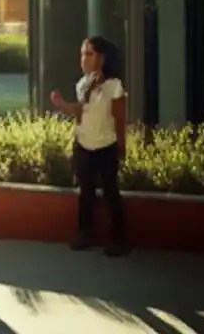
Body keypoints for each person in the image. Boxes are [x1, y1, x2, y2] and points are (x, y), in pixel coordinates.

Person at [50, 36, 129, 257]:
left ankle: (119, 239)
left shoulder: (114, 86)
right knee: (85, 193)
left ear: (102, 58)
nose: (83, 59)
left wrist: (122, 146)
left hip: (106, 146)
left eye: (89, 54)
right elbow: (80, 112)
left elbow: (119, 117)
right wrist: (62, 105)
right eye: (82, 54)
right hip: (84, 145)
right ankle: (85, 234)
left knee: (111, 193)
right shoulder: (82, 84)